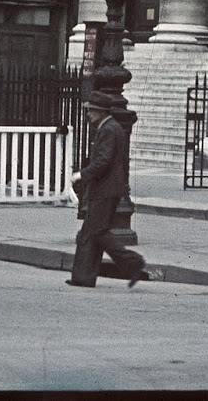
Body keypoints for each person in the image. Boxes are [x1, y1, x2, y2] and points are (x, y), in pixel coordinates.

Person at [67, 91, 149, 288]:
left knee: (97, 231)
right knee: (90, 232)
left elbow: (104, 160)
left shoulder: (109, 130)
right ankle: (83, 277)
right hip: (107, 189)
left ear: (101, 112)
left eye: (92, 111)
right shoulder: (110, 127)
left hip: (105, 189)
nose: (88, 115)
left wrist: (82, 174)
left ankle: (133, 262)